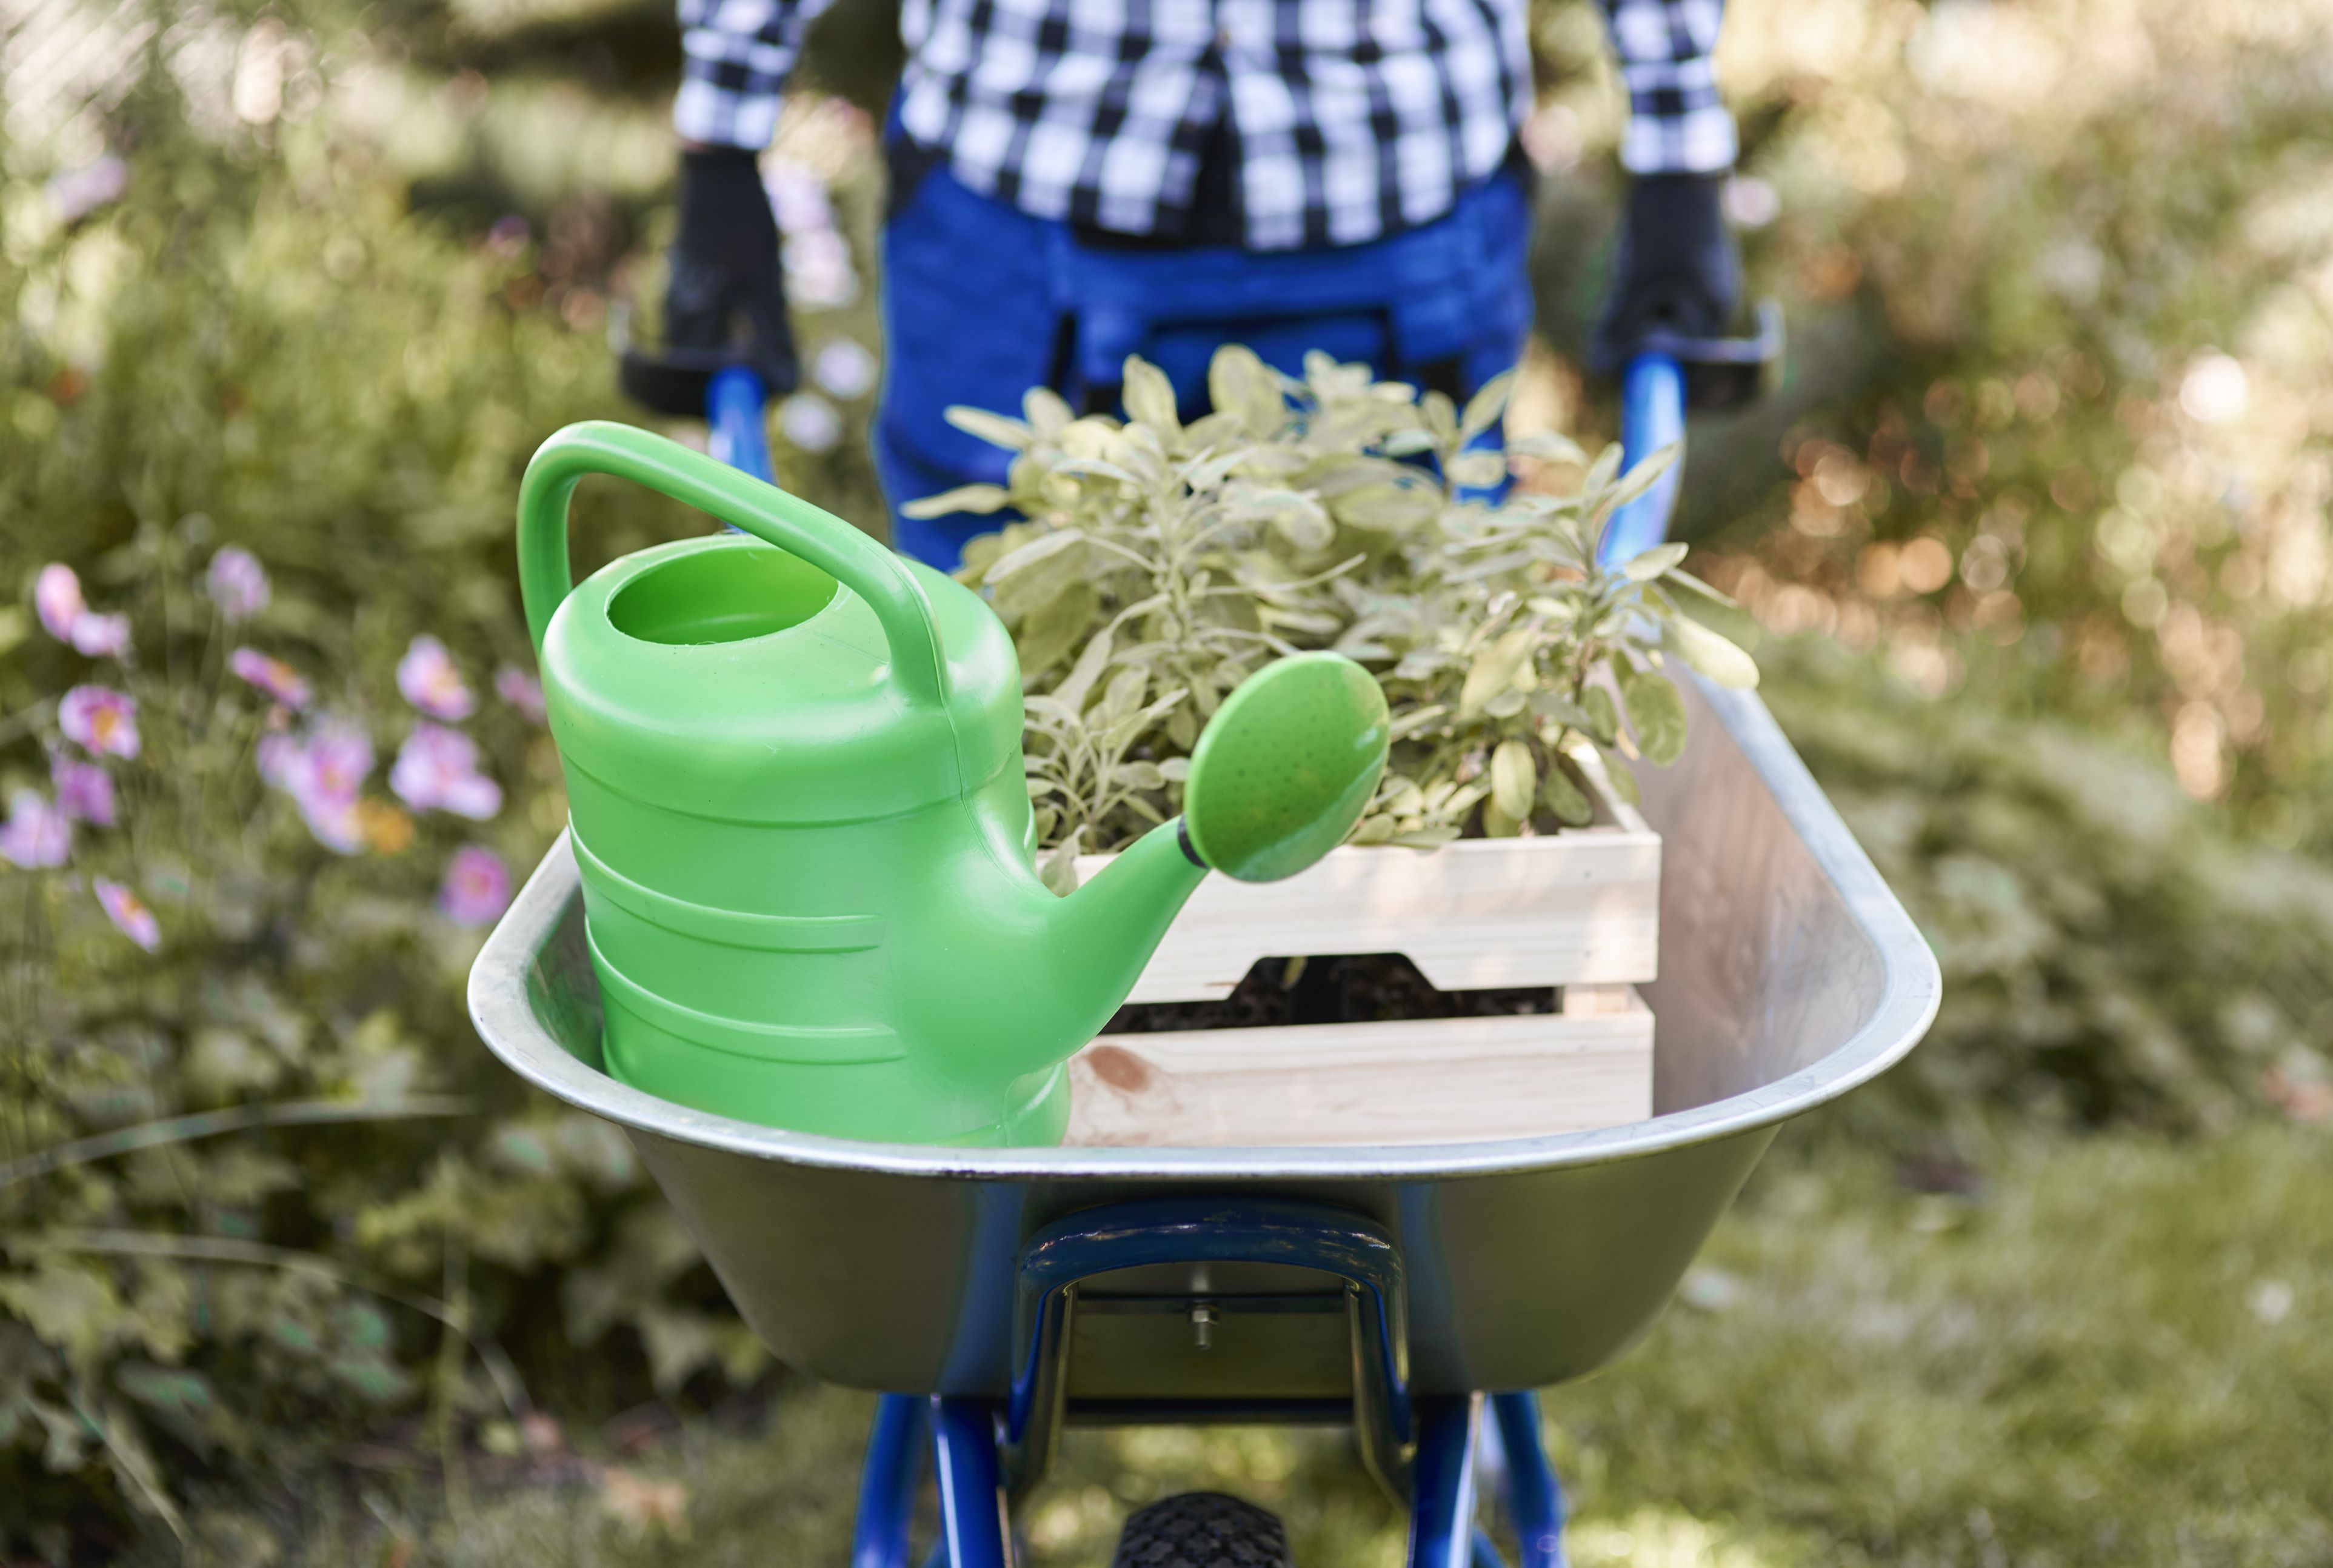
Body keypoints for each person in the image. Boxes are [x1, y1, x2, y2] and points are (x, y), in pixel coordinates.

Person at [664, 0, 1740, 567]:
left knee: (1388, 681)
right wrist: (721, 135)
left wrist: (1681, 142)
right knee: (988, 682)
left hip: (1394, 224)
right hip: (1017, 208)